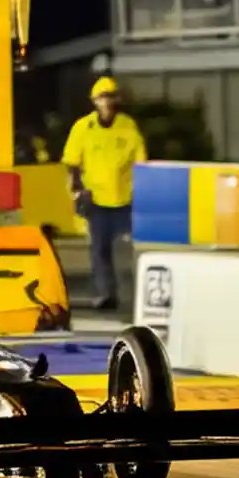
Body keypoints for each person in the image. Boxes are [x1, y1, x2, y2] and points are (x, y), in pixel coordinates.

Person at [61, 76, 147, 311]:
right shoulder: (83, 128)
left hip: (124, 200)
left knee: (125, 251)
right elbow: (72, 162)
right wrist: (78, 191)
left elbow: (140, 161)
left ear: (117, 100)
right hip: (96, 200)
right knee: (99, 251)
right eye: (102, 98)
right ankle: (106, 293)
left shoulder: (127, 127)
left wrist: (141, 191)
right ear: (94, 101)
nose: (106, 102)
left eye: (110, 97)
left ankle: (130, 296)